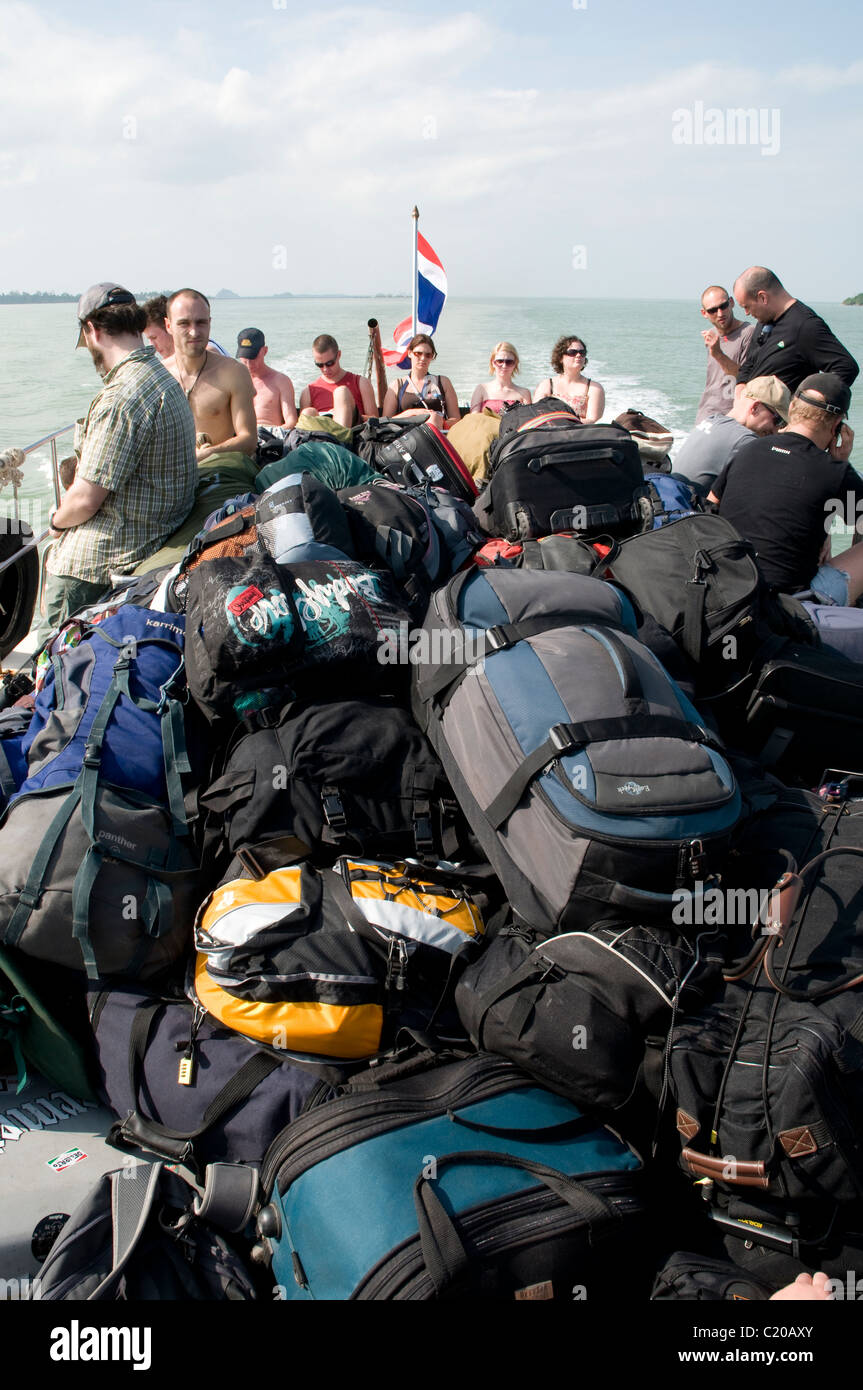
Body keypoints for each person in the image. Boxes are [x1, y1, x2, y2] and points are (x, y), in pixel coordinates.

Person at [43, 283, 196, 631]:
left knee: (48, 654)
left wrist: (55, 522)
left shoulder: (121, 398)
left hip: (102, 560)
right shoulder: (163, 378)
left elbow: (84, 500)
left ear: (92, 331)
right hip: (155, 531)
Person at [710, 373, 863, 615]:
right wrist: (839, 463)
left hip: (727, 587)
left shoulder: (747, 450)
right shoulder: (835, 472)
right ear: (837, 427)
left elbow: (712, 503)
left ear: (792, 407)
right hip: (789, 604)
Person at [163, 288, 256, 462]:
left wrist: (209, 453)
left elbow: (249, 439)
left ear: (210, 323)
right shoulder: (156, 377)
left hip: (217, 470)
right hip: (169, 476)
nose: (194, 332)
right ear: (168, 326)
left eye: (201, 322)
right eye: (184, 323)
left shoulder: (234, 372)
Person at [734, 267, 859, 395]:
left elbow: (846, 368)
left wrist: (808, 405)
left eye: (747, 306)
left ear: (763, 297)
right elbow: (750, 362)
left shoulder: (806, 325)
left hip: (785, 413)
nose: (747, 313)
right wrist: (741, 386)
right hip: (749, 408)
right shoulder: (764, 321)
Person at [673, 375, 790, 494]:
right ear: (755, 407)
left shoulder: (712, 420)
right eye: (778, 420)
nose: (777, 430)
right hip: (693, 509)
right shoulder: (745, 440)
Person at [695, 286, 756, 424]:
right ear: (704, 313)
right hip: (706, 413)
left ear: (731, 303)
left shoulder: (748, 333)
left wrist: (718, 354)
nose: (720, 313)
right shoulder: (712, 336)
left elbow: (746, 377)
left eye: (723, 306)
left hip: (731, 416)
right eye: (712, 310)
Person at [382, 333, 460, 430]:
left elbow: (456, 420)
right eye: (418, 354)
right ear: (410, 353)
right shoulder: (396, 386)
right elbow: (384, 422)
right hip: (406, 438)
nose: (423, 358)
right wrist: (411, 413)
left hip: (434, 434)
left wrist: (437, 420)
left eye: (428, 355)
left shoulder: (443, 383)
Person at [299, 334, 377, 428]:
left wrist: (341, 413)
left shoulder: (361, 383)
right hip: (322, 435)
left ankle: (340, 437)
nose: (325, 369)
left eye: (329, 363)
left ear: (339, 355)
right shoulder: (308, 392)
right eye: (320, 365)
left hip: (353, 433)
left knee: (341, 392)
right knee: (307, 412)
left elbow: (375, 420)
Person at [236, 327, 298, 429]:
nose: (249, 363)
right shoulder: (234, 382)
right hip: (241, 436)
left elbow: (291, 421)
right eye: (245, 358)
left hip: (269, 435)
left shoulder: (281, 381)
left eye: (253, 357)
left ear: (265, 351)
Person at [533, 335, 604, 422]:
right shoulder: (546, 385)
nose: (578, 355)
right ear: (560, 358)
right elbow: (535, 415)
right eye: (572, 352)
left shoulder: (594, 388)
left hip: (580, 433)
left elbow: (591, 419)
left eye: (582, 352)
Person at [144, 294, 228, 359]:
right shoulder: (174, 362)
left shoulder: (205, 352)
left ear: (169, 326)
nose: (152, 345)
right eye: (149, 339)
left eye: (154, 337)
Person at [470, 342, 532, 415]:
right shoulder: (481, 389)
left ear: (515, 364)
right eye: (500, 361)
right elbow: (474, 419)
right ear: (493, 363)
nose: (504, 366)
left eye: (509, 362)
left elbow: (527, 420)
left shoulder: (524, 393)